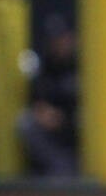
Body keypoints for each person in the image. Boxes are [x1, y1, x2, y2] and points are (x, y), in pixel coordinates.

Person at [17, 14, 79, 177]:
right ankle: (60, 167)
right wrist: (46, 113)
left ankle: (85, 169)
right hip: (55, 129)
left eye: (62, 38)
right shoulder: (45, 66)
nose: (58, 43)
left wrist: (66, 118)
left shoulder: (84, 62)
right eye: (54, 39)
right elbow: (37, 100)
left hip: (79, 125)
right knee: (25, 122)